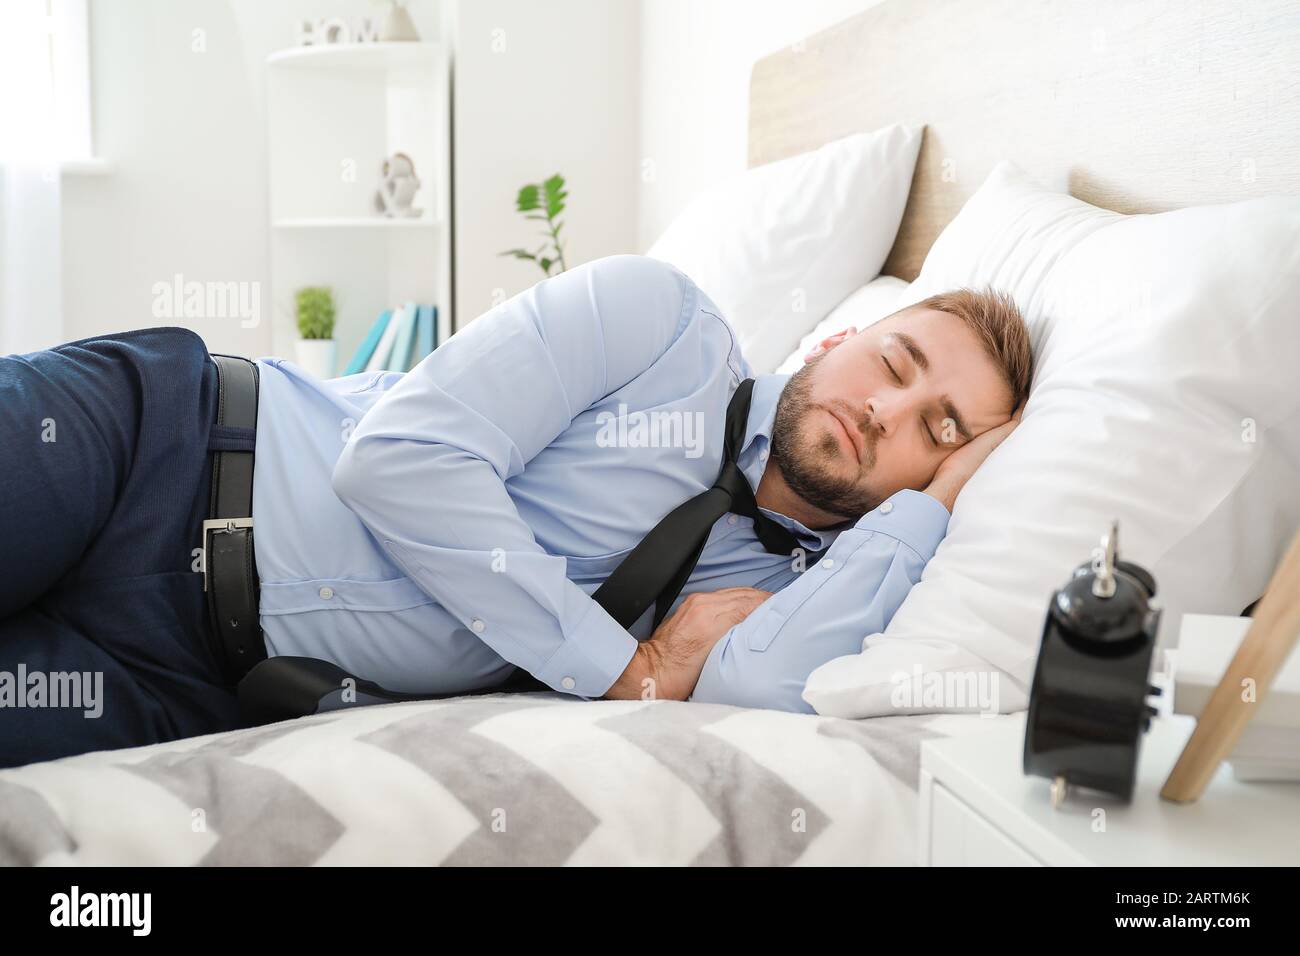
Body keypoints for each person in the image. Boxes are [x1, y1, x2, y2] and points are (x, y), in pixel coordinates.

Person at [0, 255, 1030, 767]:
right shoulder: (662, 325)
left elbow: (762, 689)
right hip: (153, 454)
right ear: (831, 340)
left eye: (937, 432)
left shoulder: (772, 589)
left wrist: (928, 510)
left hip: (190, 678)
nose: (886, 412)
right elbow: (400, 461)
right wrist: (627, 666)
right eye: (893, 364)